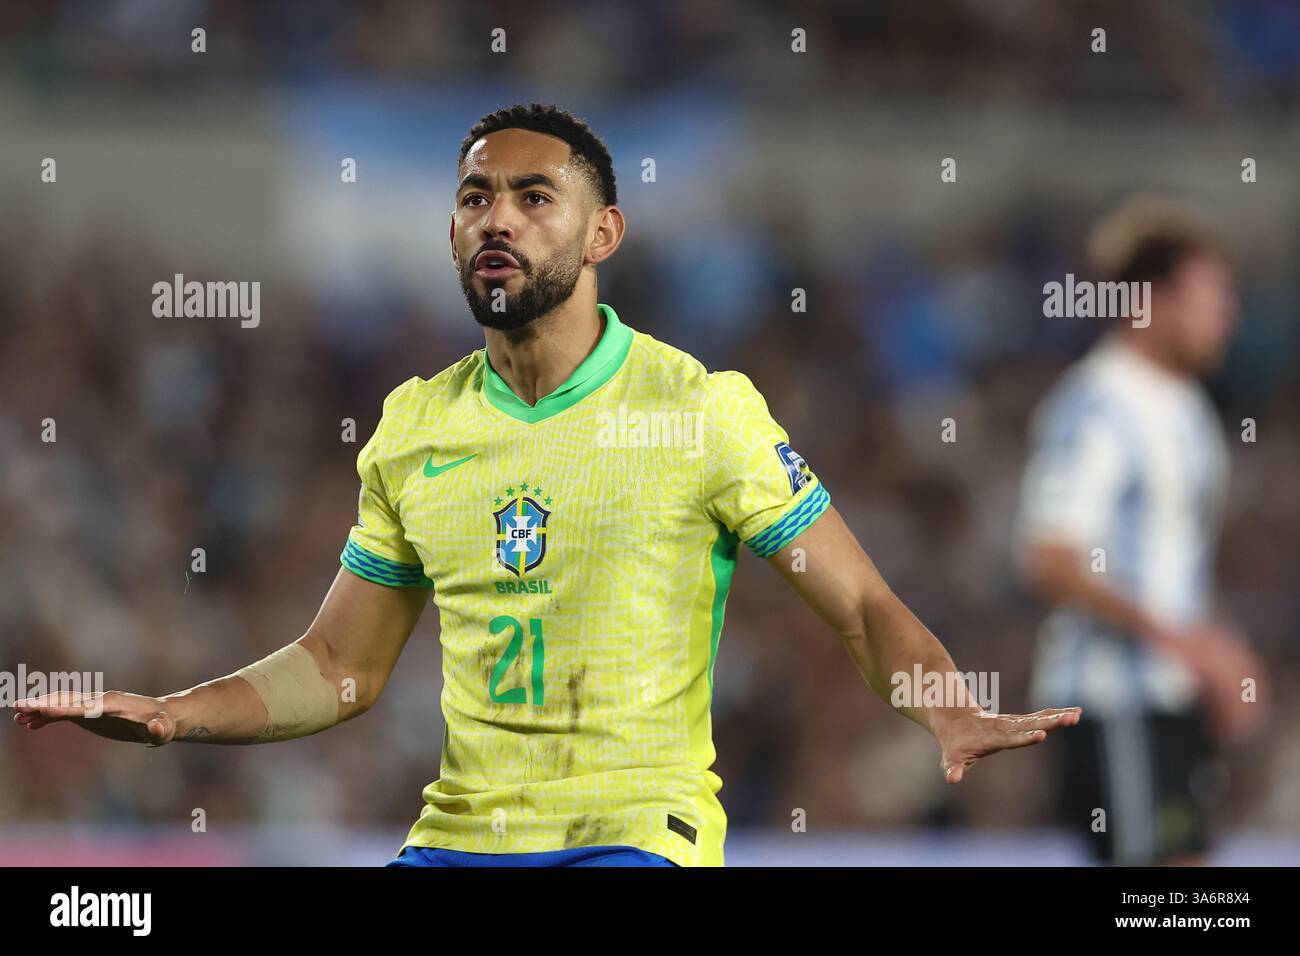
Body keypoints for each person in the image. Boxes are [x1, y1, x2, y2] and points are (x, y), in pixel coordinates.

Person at [15, 103, 1079, 867]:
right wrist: (171, 713)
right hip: (459, 840)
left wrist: (943, 706)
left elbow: (858, 601)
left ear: (603, 232)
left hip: (631, 837)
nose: (498, 219)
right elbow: (341, 665)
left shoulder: (698, 408)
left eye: (534, 197)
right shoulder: (414, 427)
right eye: (475, 196)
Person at [1017, 196, 1264, 865]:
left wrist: (1219, 652)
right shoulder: (1097, 406)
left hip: (1170, 698)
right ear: (1148, 300)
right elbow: (1050, 559)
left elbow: (1173, 566)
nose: (1228, 316)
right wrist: (1182, 643)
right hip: (1112, 699)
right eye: (1210, 297)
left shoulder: (1188, 411)